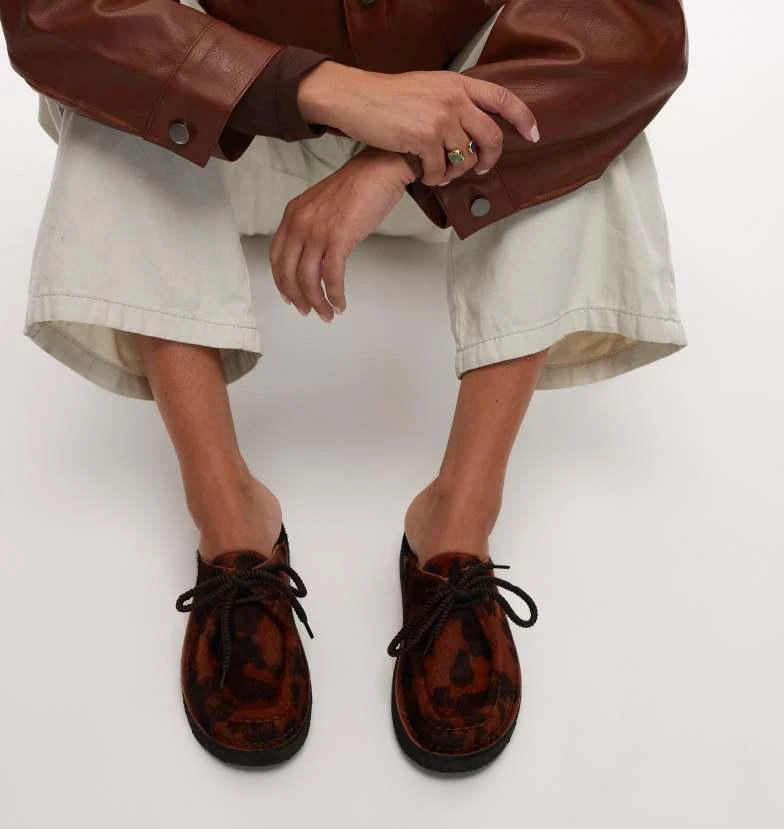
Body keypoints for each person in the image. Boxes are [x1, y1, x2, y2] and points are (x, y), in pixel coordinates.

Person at [1, 0, 689, 772]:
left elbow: (637, 27)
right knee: (115, 87)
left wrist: (394, 158)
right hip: (233, 138)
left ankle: (459, 520)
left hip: (452, 157)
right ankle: (227, 515)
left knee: (586, 113)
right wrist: (322, 89)